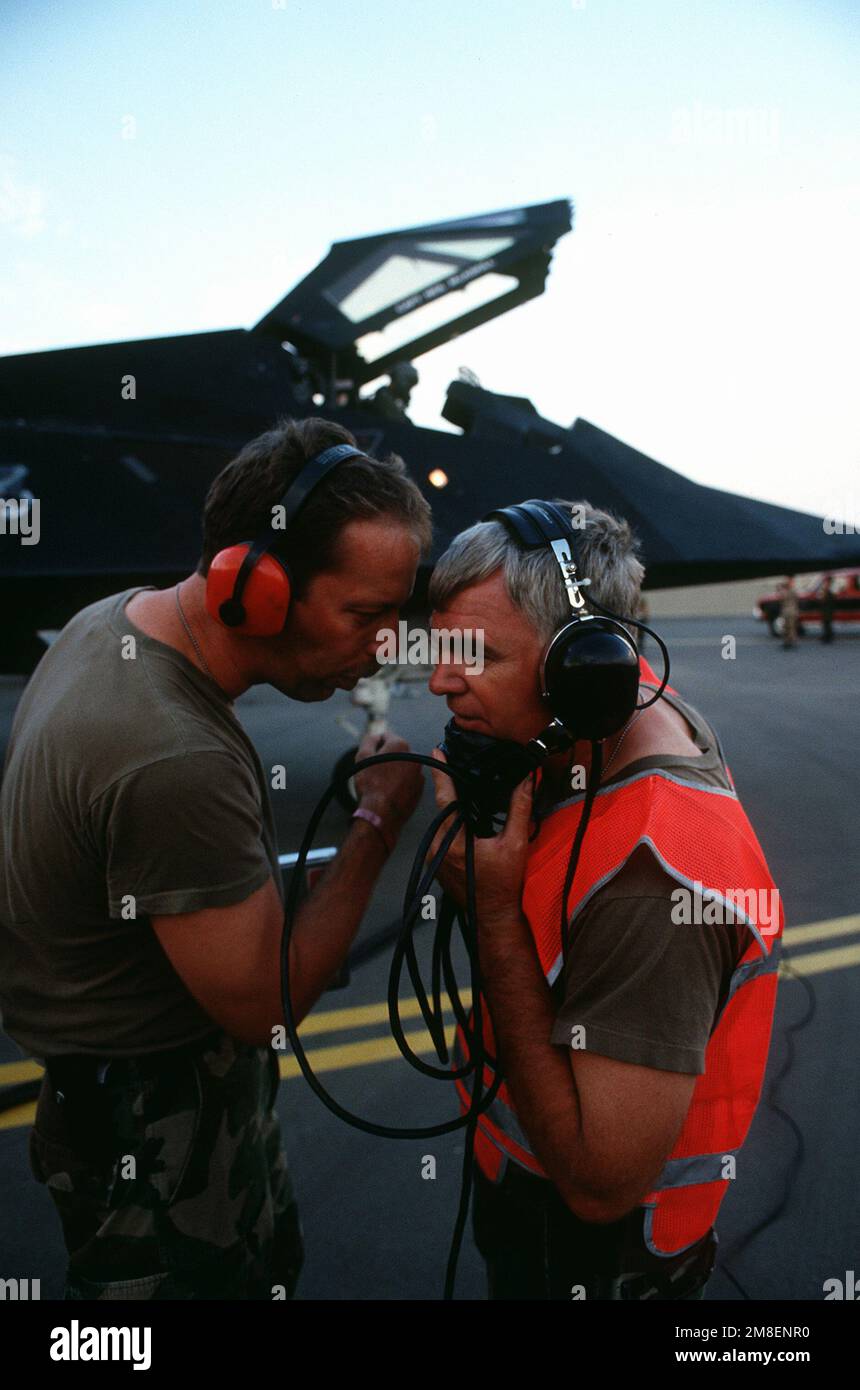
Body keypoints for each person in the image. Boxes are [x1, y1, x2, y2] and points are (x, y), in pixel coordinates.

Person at [0, 416, 431, 1300]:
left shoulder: (111, 624)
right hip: (159, 1137)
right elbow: (267, 1007)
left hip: (116, 1097)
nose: (390, 643)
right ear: (256, 591)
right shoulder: (173, 757)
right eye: (365, 613)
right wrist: (377, 821)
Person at [425, 499, 783, 1301]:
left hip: (595, 1258)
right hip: (520, 1187)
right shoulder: (619, 700)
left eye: (476, 655)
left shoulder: (650, 889)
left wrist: (492, 914)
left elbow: (599, 1185)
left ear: (581, 674)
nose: (440, 680)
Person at [778, 575, 799, 648]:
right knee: (789, 627)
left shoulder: (786, 592)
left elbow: (781, 601)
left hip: (788, 612)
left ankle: (789, 642)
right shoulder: (792, 591)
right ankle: (790, 641)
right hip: (790, 611)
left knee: (789, 628)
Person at [820, 574, 835, 644]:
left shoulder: (827, 591)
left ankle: (828, 637)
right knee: (827, 624)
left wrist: (823, 593)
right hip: (828, 610)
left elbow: (823, 600)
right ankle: (828, 636)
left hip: (827, 610)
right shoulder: (829, 591)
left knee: (827, 624)